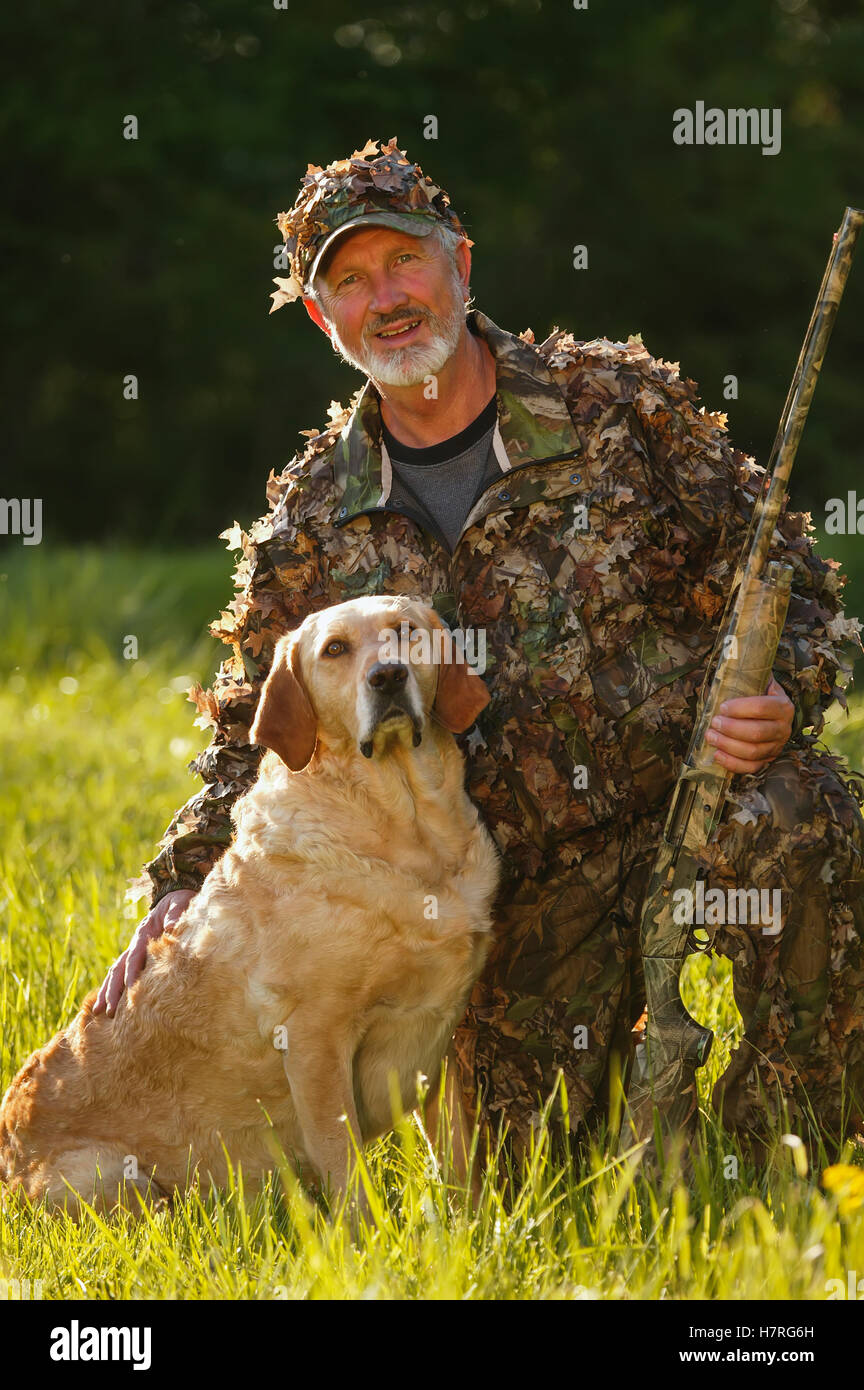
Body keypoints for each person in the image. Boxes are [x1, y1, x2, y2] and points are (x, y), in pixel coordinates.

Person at [95, 137, 864, 1154]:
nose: (389, 297)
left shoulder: (620, 408)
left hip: (687, 801)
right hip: (502, 887)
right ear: (327, 318)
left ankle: (798, 1153)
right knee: (527, 1175)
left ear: (459, 258)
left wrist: (783, 696)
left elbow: (797, 586)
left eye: (405, 260)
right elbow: (258, 731)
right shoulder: (314, 510)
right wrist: (181, 887)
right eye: (353, 282)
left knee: (799, 815)